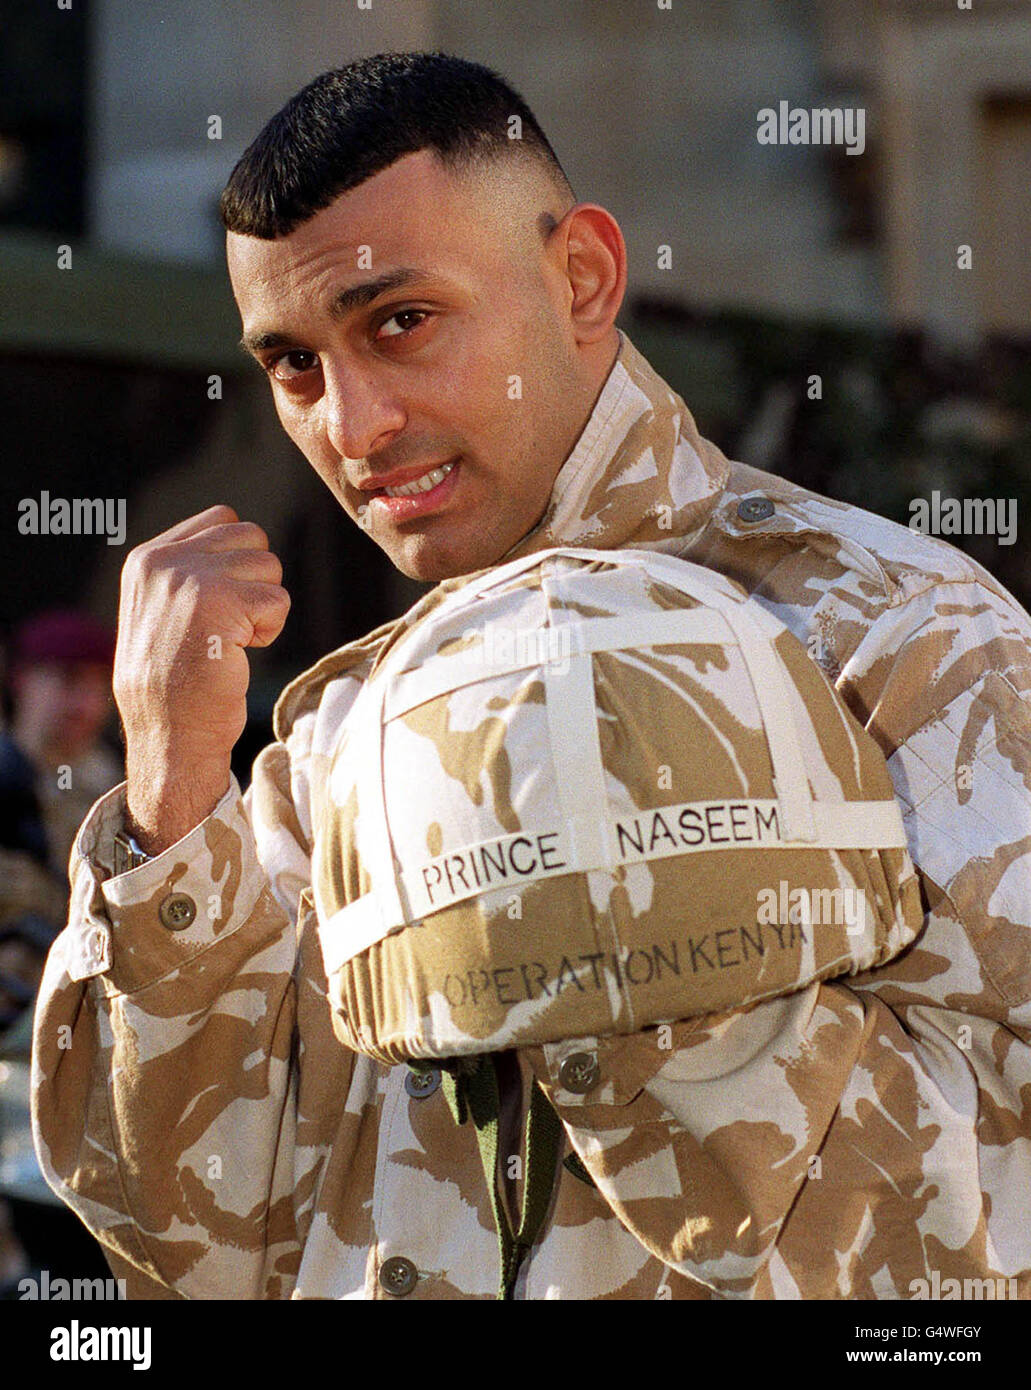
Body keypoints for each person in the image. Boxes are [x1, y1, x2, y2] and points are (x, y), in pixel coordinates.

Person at [31, 52, 1031, 1300]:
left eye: (400, 322)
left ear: (582, 280)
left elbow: (994, 1234)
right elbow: (193, 1255)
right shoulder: (342, 729)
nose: (351, 424)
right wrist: (173, 799)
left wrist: (642, 961)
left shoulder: (899, 634)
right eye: (292, 362)